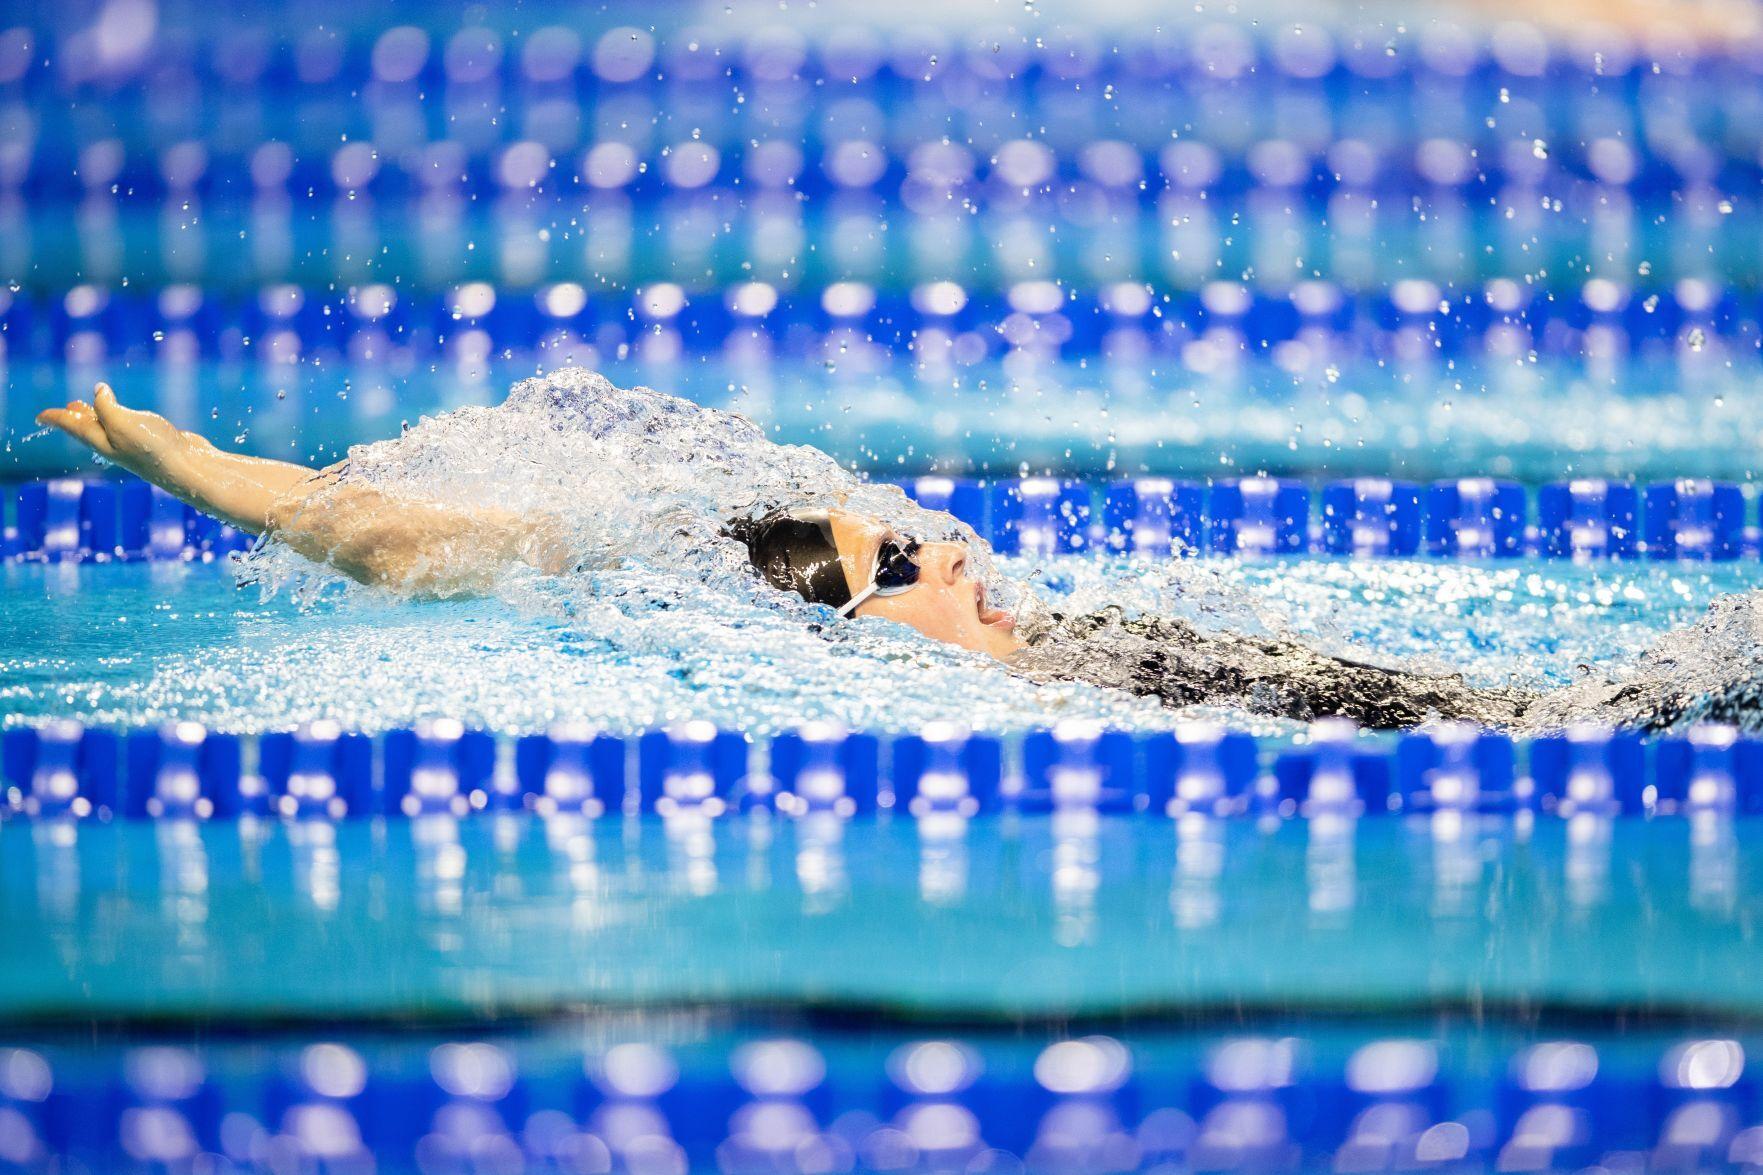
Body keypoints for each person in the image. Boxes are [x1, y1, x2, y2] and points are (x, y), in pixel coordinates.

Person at [37, 382, 1763, 732]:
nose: (963, 555)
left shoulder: (1102, 654)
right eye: (914, 560)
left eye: (925, 530)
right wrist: (193, 470)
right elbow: (420, 545)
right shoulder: (1062, 703)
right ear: (860, 631)